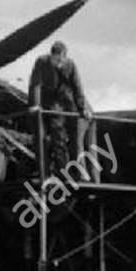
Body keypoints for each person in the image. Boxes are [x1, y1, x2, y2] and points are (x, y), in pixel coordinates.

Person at [28, 40, 92, 173]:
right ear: (51, 56)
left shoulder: (70, 65)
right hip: (41, 104)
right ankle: (43, 172)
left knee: (59, 138)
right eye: (56, 60)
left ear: (65, 57)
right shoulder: (41, 62)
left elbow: (77, 87)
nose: (58, 64)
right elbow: (35, 84)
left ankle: (63, 171)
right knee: (40, 138)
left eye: (61, 61)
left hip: (57, 105)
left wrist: (82, 108)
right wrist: (35, 104)